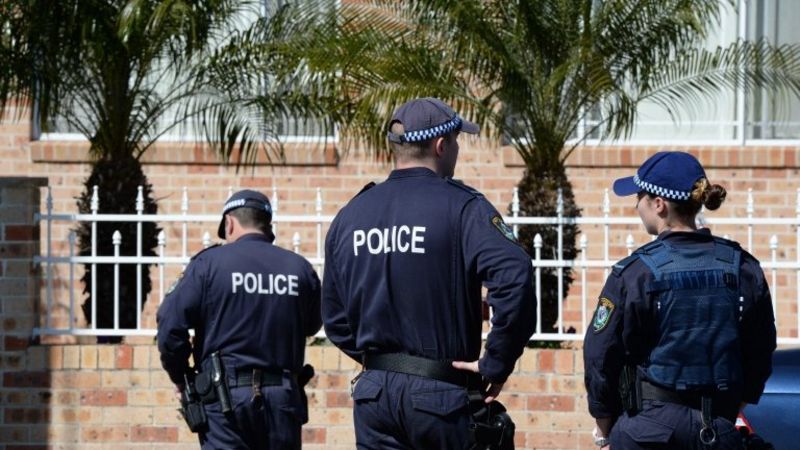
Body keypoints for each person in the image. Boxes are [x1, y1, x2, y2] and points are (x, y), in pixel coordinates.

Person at [322, 97, 537, 449]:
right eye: (455, 142)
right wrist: (495, 362)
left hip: (374, 398)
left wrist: (383, 364)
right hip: (441, 397)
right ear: (441, 145)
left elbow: (335, 317)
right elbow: (515, 276)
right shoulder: (463, 206)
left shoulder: (351, 215)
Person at [583, 151, 777, 449]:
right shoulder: (743, 268)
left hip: (647, 432)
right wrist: (733, 407)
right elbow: (761, 346)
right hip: (718, 431)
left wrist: (604, 426)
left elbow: (600, 353)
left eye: (639, 198)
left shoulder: (635, 273)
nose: (636, 206)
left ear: (658, 205)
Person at [157, 189, 322, 450]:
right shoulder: (298, 268)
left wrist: (182, 377)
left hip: (225, 402)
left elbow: (169, 326)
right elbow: (313, 324)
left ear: (229, 223)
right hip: (283, 399)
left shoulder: (208, 265)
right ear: (268, 226)